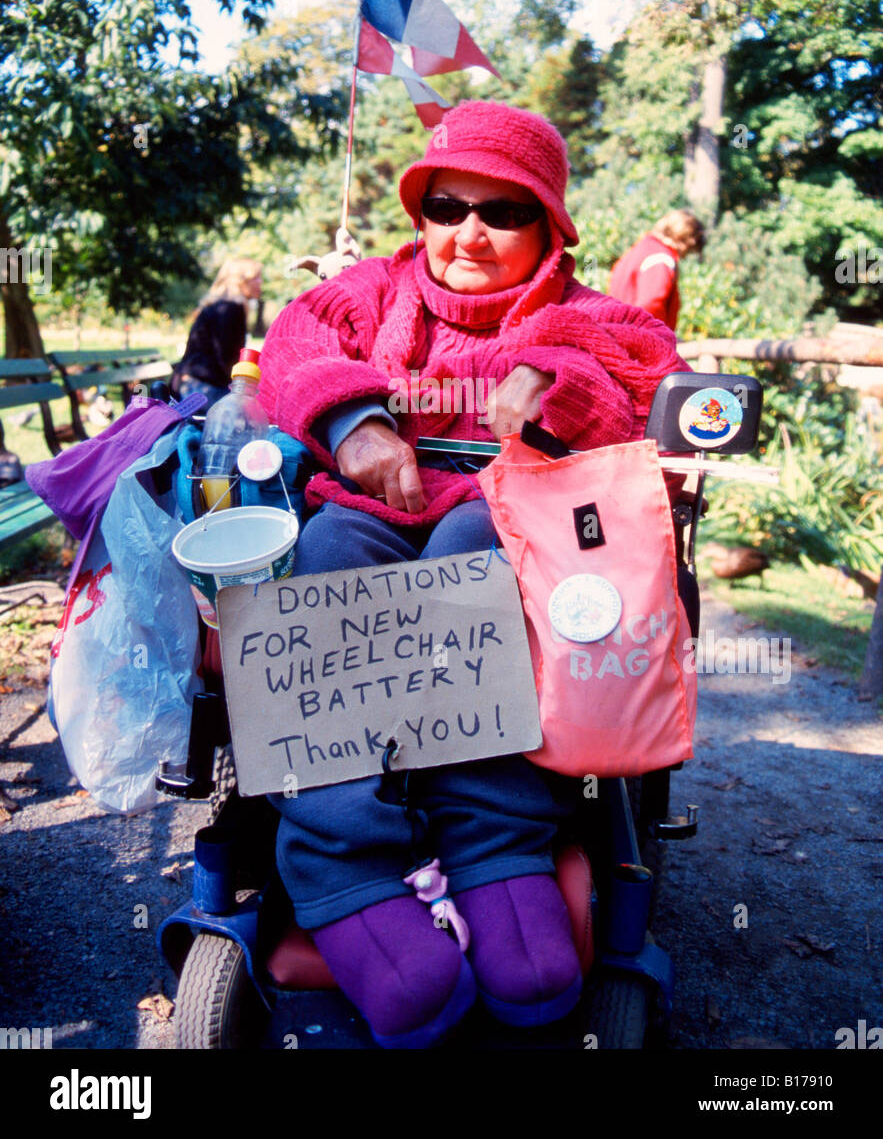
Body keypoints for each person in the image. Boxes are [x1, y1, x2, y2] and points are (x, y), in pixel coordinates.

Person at [256, 101, 686, 1048]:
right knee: (324, 570)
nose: (469, 232)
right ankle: (342, 870)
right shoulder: (369, 291)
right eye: (446, 206)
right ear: (419, 213)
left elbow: (650, 370)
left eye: (502, 212)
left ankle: (495, 849)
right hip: (366, 515)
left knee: (470, 568)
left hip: (506, 526)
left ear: (549, 226)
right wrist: (352, 423)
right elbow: (293, 348)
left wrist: (557, 387)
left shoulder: (581, 312)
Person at [169, 257, 263, 407]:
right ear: (242, 281)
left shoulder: (219, 306)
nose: (260, 283)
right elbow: (229, 361)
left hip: (188, 383)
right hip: (202, 387)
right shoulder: (230, 309)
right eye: (256, 278)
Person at [607, 209, 705, 330]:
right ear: (687, 240)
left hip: (620, 333)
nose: (685, 255)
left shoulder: (637, 251)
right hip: (640, 340)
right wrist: (659, 338)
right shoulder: (660, 257)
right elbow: (650, 304)